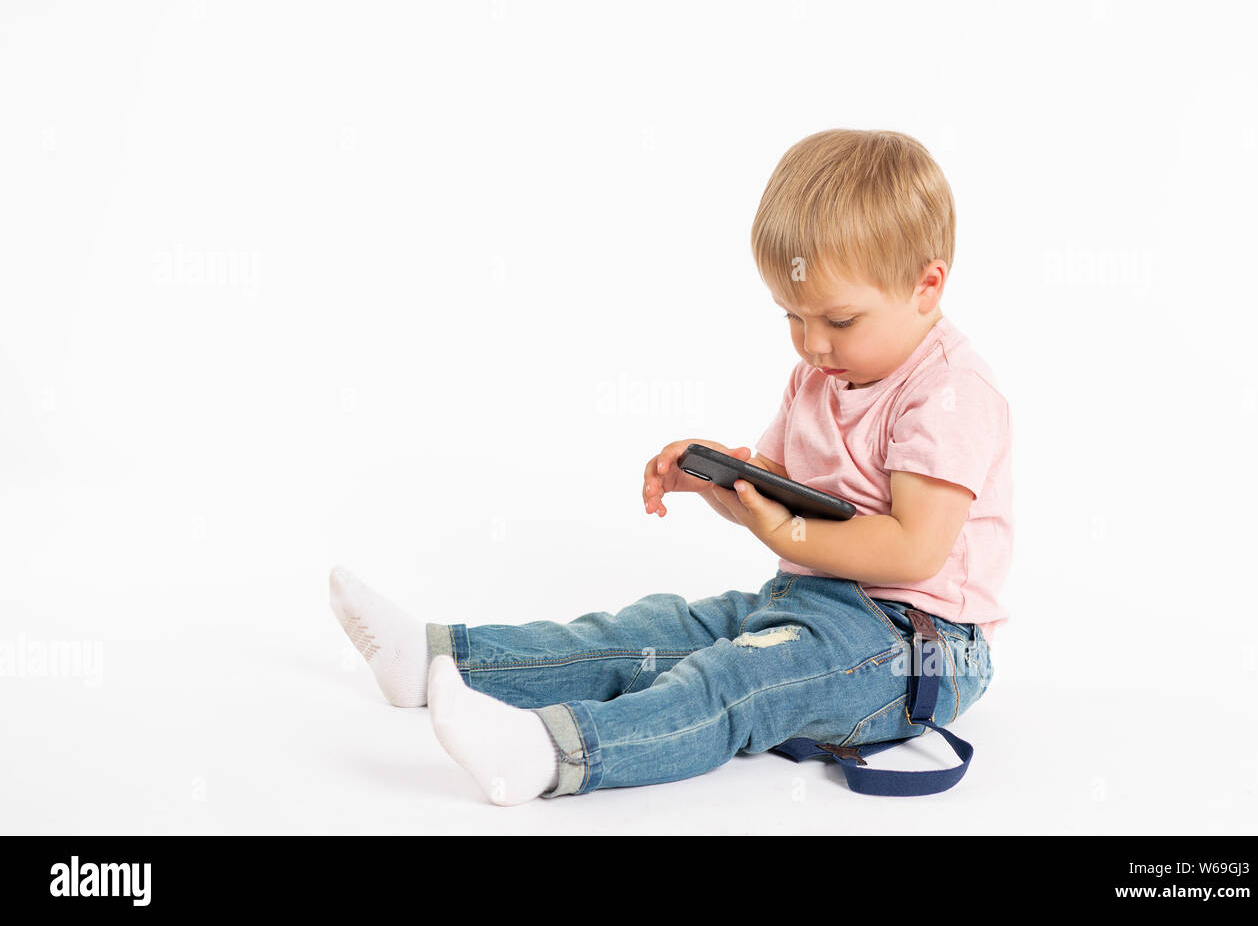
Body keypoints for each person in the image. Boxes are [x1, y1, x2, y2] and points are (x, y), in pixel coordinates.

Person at [329, 128, 1012, 805]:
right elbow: (787, 494)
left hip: (916, 645)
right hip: (809, 599)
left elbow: (913, 548)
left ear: (926, 286)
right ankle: (435, 659)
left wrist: (784, 535)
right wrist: (723, 482)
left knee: (737, 679)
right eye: (792, 316)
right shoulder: (819, 374)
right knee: (649, 634)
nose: (811, 344)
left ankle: (549, 751)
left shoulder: (949, 393)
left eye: (838, 321)